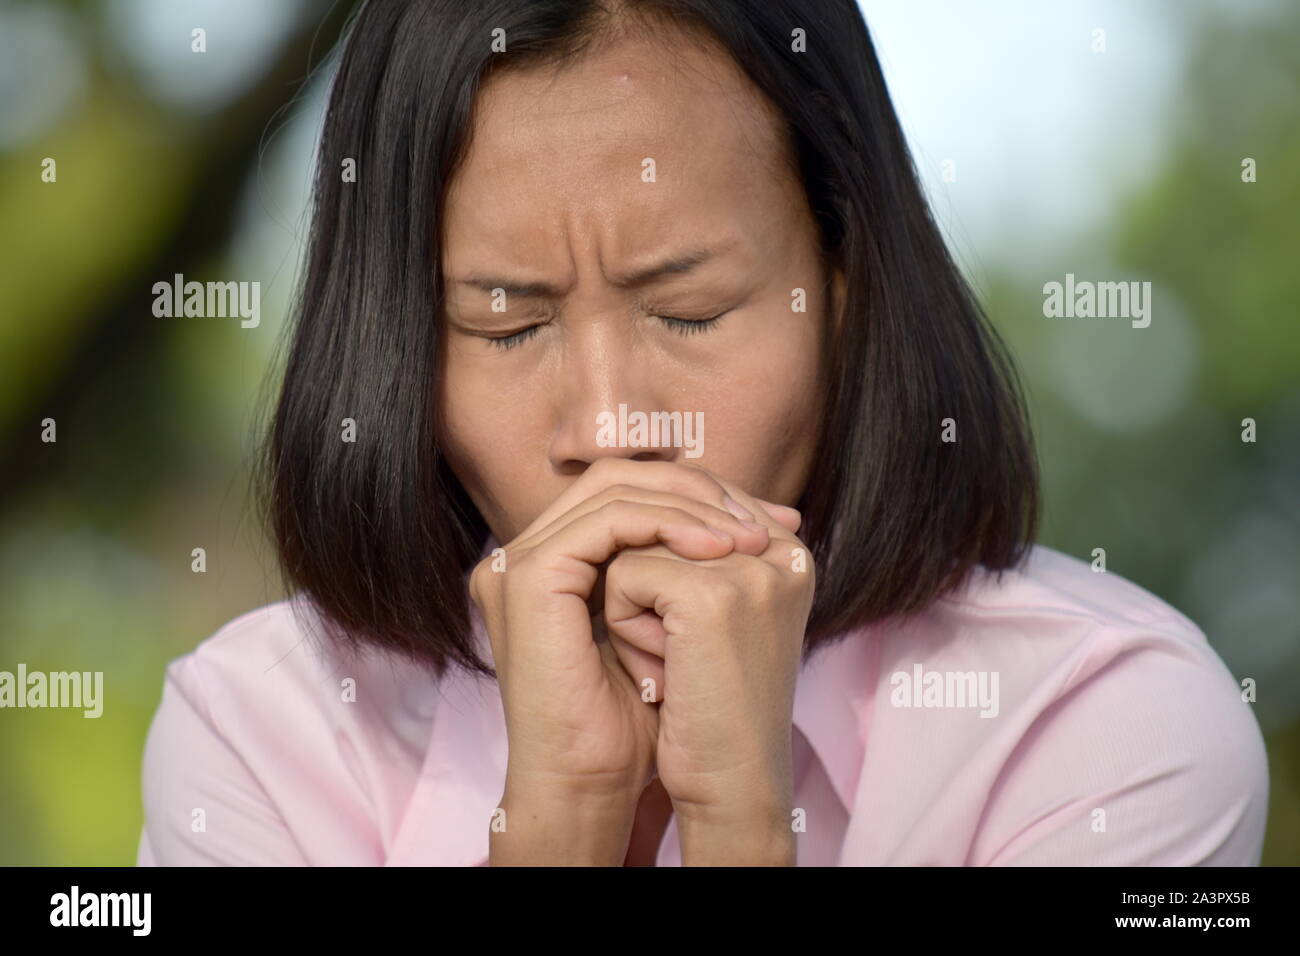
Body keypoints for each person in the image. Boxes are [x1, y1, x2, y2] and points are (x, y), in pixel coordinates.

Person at [136, 0, 1268, 866]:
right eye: (506, 321)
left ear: (846, 284)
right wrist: (561, 819)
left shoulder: (1102, 725)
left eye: (689, 311)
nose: (611, 425)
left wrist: (739, 824)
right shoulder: (261, 733)